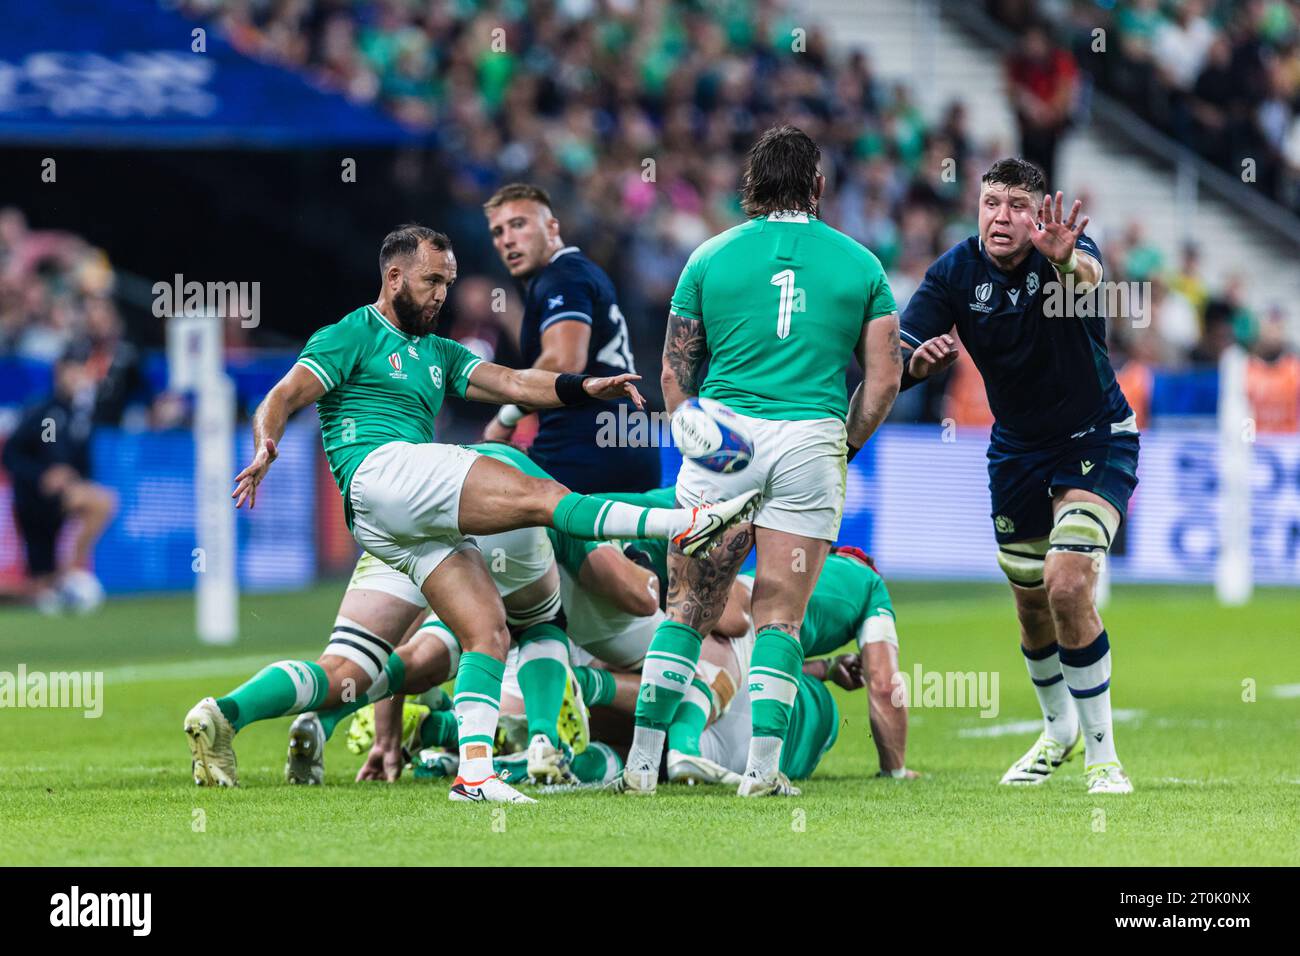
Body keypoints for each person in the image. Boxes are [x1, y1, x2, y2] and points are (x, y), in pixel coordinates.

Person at [182, 224, 758, 803]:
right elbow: (281, 396)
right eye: (432, 280)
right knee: (543, 498)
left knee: (483, 633)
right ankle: (682, 526)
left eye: (448, 283)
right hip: (381, 471)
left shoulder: (439, 353)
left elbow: (513, 381)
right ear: (394, 276)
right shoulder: (351, 333)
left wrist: (584, 388)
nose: (440, 295)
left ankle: (463, 774)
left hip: (396, 523)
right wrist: (265, 446)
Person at [614, 124, 902, 797]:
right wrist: (846, 444)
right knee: (781, 618)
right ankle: (763, 774)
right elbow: (884, 380)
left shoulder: (708, 258)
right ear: (819, 187)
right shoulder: (862, 264)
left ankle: (639, 767)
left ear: (751, 188)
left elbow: (673, 370)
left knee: (687, 606)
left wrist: (699, 435)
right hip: (809, 439)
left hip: (725, 436)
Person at [900, 158, 1137, 795]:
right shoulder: (955, 272)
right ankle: (1057, 730)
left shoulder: (1066, 252)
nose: (1001, 217)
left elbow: (1088, 279)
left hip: (1094, 436)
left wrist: (1065, 262)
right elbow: (900, 351)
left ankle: (1103, 759)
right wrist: (913, 364)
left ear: (1039, 214)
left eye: (1016, 206)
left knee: (1066, 584)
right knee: (1032, 606)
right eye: (991, 202)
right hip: (1015, 452)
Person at [482, 183, 660, 492]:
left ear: (551, 228)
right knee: (618, 540)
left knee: (478, 498)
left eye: (518, 224)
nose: (507, 239)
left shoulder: (561, 276)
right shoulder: (580, 271)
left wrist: (506, 416)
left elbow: (565, 360)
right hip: (629, 440)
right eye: (498, 232)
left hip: (583, 444)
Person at [1, 343, 116, 614]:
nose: (77, 377)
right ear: (60, 372)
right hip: (34, 500)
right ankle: (56, 582)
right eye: (71, 370)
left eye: (81, 370)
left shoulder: (81, 416)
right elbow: (11, 455)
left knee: (102, 502)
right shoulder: (42, 411)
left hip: (63, 500)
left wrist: (72, 478)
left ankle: (71, 572)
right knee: (39, 588)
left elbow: (85, 465)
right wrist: (42, 475)